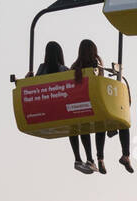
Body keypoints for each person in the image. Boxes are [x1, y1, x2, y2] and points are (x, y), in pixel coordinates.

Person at [68, 39, 135, 175]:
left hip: (80, 108)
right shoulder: (96, 67)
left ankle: (100, 159)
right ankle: (125, 155)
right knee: (120, 123)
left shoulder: (74, 68)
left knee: (98, 125)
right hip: (96, 106)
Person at [35, 40, 96, 174]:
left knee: (72, 128)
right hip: (62, 106)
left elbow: (34, 82)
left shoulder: (41, 68)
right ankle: (90, 158)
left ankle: (77, 159)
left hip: (46, 109)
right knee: (81, 124)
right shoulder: (63, 69)